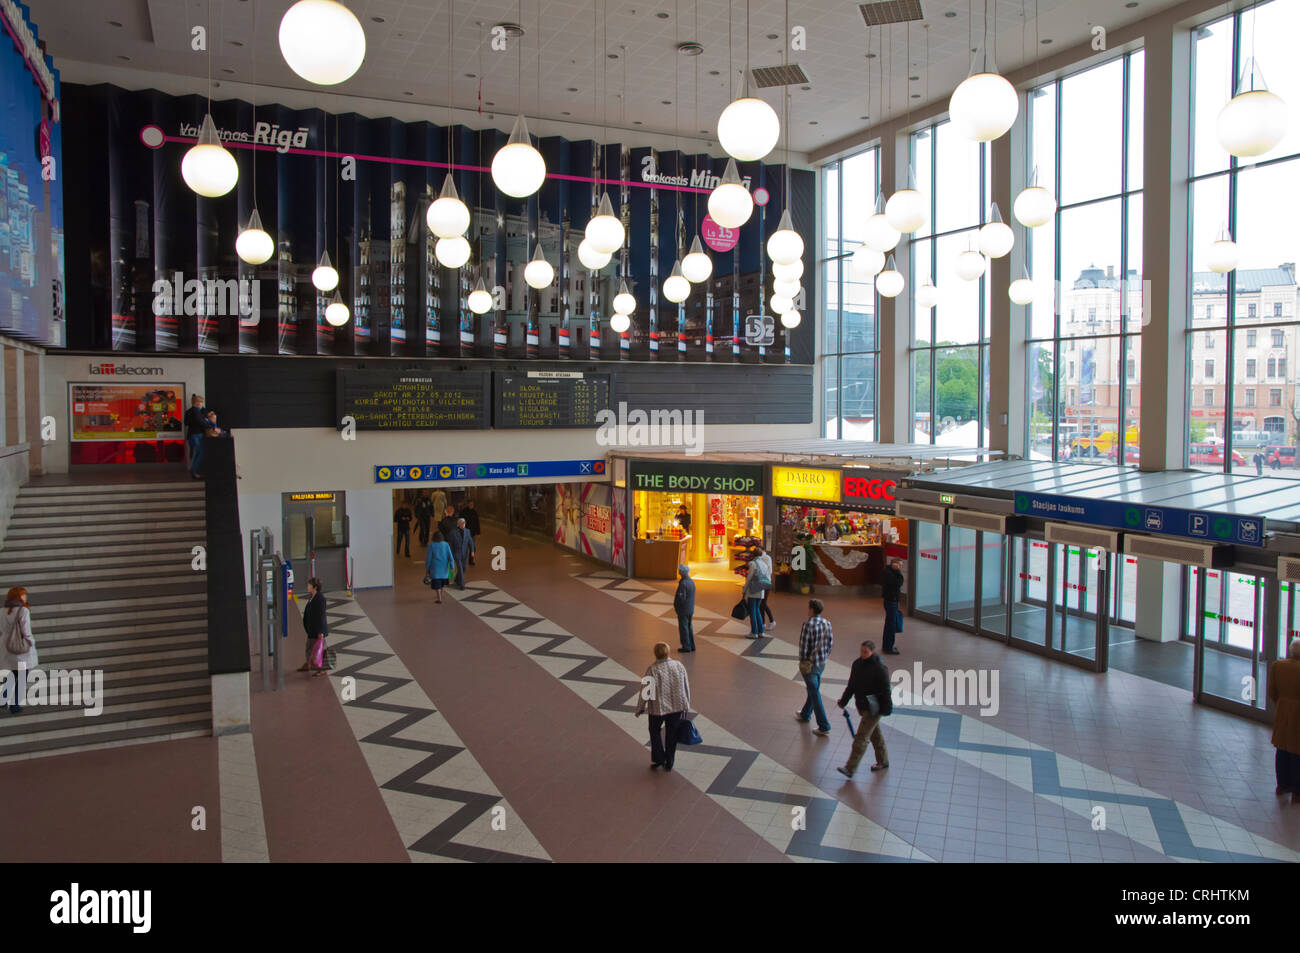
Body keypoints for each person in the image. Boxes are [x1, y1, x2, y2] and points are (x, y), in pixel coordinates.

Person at [836, 640, 892, 777]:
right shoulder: (857, 664)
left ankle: (850, 768)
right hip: (863, 705)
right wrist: (843, 701)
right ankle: (883, 761)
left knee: (861, 737)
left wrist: (886, 709)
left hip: (874, 708)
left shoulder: (879, 669)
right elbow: (851, 685)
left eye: (865, 652)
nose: (862, 654)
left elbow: (886, 691)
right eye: (861, 651)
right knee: (875, 734)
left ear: (872, 652)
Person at [634, 642, 691, 771]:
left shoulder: (652, 669)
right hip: (677, 707)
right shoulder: (679, 666)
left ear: (655, 654)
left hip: (657, 708)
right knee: (672, 733)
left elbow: (646, 691)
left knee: (654, 731)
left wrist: (640, 707)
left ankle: (659, 758)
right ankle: (670, 760)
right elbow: (685, 685)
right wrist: (686, 703)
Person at [1268, 638, 1300, 804]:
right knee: (1297, 752)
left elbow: (1272, 691)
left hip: (1282, 710)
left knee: (1282, 749)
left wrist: (1281, 703)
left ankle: (1282, 785)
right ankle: (1297, 792)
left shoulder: (1278, 665)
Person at [795, 598, 833, 736]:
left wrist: (802, 661)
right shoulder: (827, 623)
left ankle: (824, 725)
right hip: (821, 662)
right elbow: (830, 644)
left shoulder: (808, 625)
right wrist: (824, 656)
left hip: (809, 664)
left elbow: (803, 646)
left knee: (814, 692)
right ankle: (805, 714)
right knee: (814, 688)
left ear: (811, 609)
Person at [0, 587, 37, 713]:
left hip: (6, 647)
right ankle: (15, 705)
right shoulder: (23, 610)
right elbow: (26, 632)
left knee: (12, 675)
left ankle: (3, 699)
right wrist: (31, 642)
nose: (25, 597)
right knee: (21, 676)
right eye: (23, 595)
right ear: (17, 596)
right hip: (20, 649)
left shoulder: (2, 611)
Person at [299, 577, 329, 676]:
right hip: (312, 629)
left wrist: (320, 632)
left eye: (309, 585)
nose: (307, 586)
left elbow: (321, 616)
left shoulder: (320, 599)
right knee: (309, 647)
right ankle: (308, 664)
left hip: (317, 630)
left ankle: (323, 669)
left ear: (314, 587)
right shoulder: (312, 596)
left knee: (320, 649)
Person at [743, 547, 771, 639]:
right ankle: (760, 631)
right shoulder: (764, 563)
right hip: (761, 590)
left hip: (753, 590)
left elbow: (749, 578)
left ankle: (754, 632)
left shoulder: (753, 564)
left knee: (752, 611)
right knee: (758, 610)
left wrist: (744, 590)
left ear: (753, 555)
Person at [880, 558, 905, 655]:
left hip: (891, 600)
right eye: (899, 565)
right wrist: (898, 571)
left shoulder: (888, 572)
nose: (900, 567)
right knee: (891, 624)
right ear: (894, 564)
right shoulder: (889, 573)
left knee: (889, 623)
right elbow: (898, 582)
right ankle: (888, 647)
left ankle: (887, 645)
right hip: (891, 601)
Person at [425, 530, 454, 604]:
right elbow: (450, 556)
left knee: (437, 584)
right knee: (442, 582)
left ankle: (439, 599)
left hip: (435, 568)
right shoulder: (446, 544)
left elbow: (428, 558)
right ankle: (441, 594)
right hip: (444, 567)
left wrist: (427, 568)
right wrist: (452, 565)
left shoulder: (431, 545)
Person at [184, 394, 208, 479]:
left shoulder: (189, 411)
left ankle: (193, 470)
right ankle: (194, 471)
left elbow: (186, 423)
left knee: (194, 453)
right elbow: (203, 422)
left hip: (191, 434)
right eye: (200, 402)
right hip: (198, 434)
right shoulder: (197, 411)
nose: (201, 404)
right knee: (200, 453)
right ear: (196, 402)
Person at [673, 564, 696, 653]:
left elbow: (681, 598)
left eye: (679, 570)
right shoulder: (691, 582)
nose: (678, 572)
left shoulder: (683, 583)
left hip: (684, 610)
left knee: (683, 628)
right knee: (689, 626)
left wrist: (677, 606)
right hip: (690, 608)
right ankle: (692, 645)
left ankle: (686, 646)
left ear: (682, 573)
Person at [449, 517, 474, 590]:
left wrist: (472, 551)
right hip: (457, 553)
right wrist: (451, 554)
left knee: (463, 569)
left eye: (464, 523)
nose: (463, 524)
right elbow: (451, 544)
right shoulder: (453, 533)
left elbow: (470, 542)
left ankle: (457, 579)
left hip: (464, 554)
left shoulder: (467, 531)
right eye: (462, 523)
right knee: (460, 568)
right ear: (458, 525)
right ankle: (462, 585)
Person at [460, 499, 481, 565]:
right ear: (468, 504)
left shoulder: (475, 512)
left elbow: (477, 522)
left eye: (473, 504)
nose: (472, 505)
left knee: (473, 548)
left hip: (473, 533)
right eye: (470, 504)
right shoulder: (464, 511)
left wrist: (478, 532)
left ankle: (471, 560)